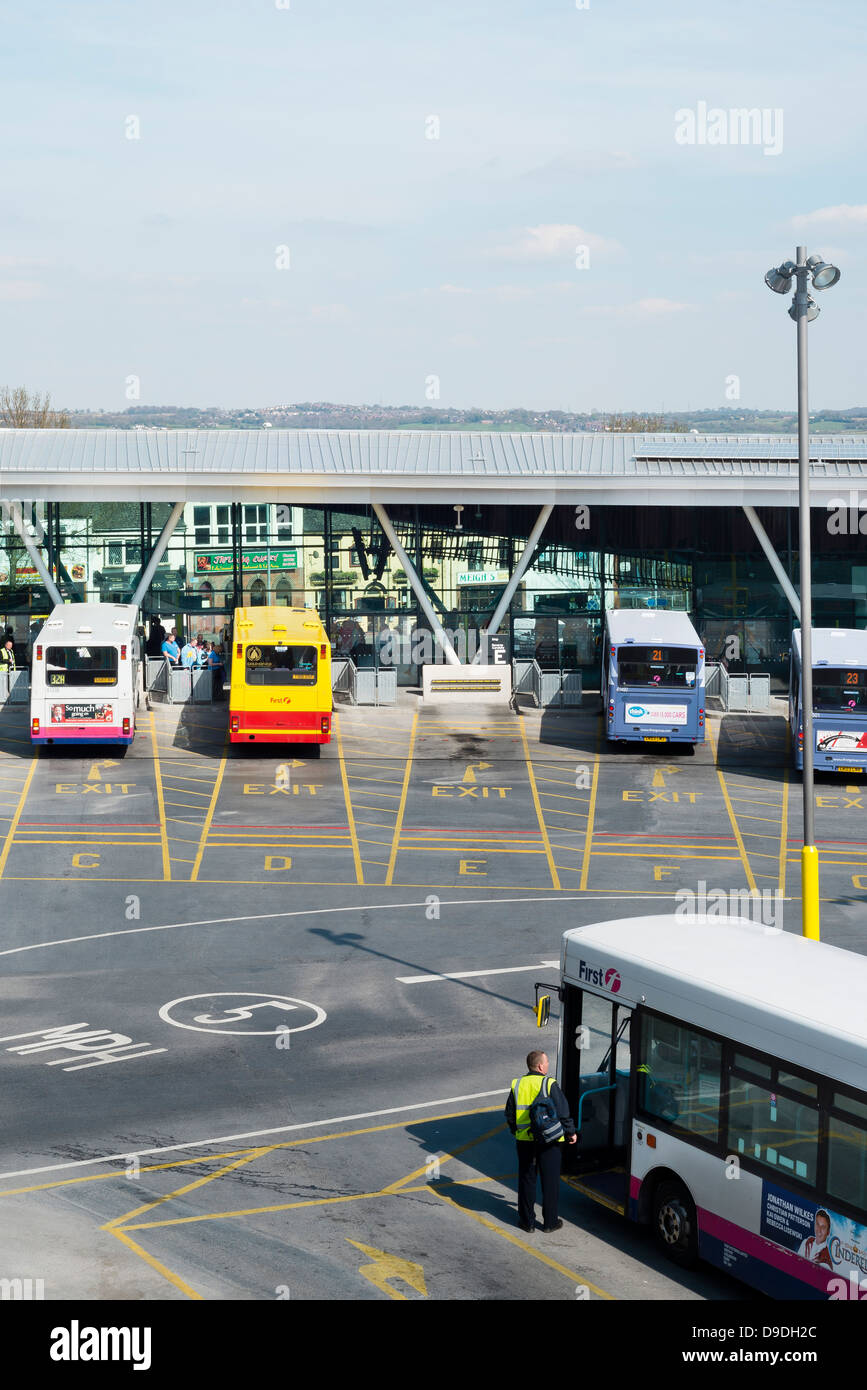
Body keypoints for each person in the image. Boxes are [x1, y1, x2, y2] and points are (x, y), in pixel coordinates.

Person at [505, 1050, 576, 1234]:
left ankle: (527, 1222)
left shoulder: (518, 1084)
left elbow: (510, 1113)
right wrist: (570, 1132)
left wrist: (516, 1131)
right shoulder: (548, 1083)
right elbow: (563, 1111)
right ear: (540, 1066)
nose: (548, 1066)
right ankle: (549, 1223)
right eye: (546, 1063)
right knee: (550, 1181)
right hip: (549, 1141)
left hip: (525, 1141)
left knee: (527, 1180)